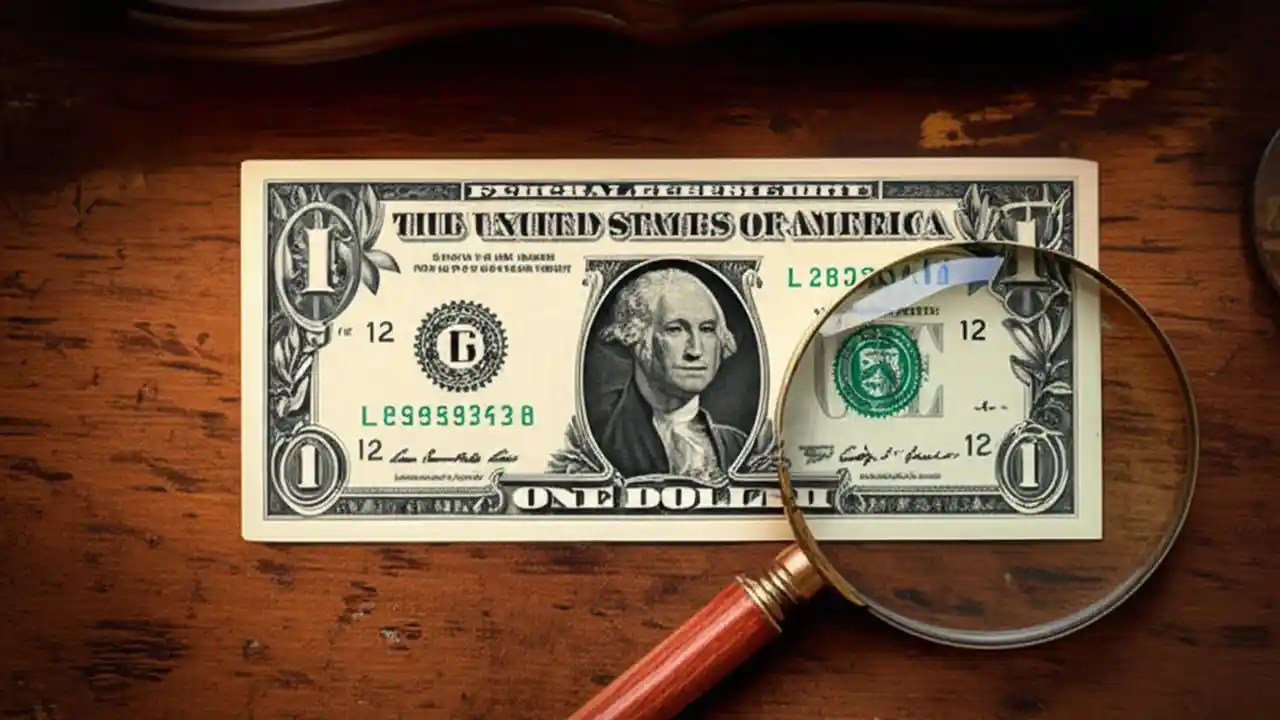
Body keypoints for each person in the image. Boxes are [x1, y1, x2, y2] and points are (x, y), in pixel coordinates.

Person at [589, 267, 748, 481]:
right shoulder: (601, 438)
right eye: (675, 329)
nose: (696, 351)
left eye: (707, 329)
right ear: (636, 337)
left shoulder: (738, 445)